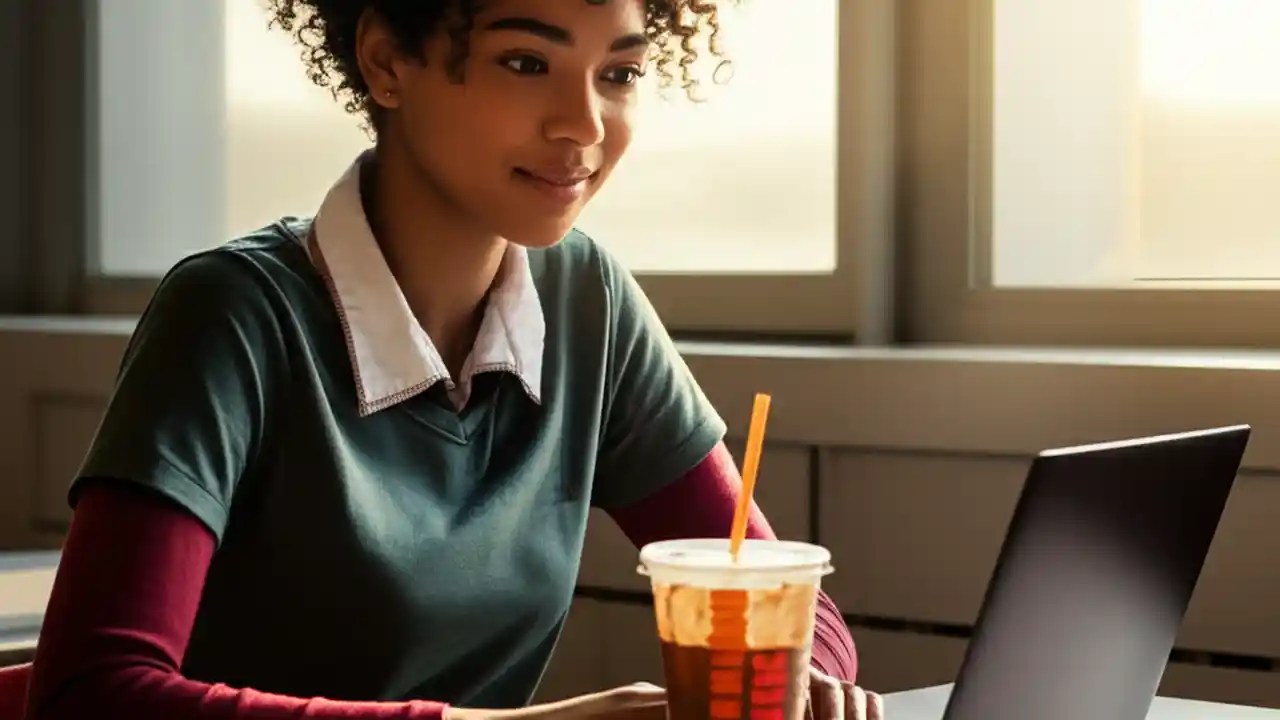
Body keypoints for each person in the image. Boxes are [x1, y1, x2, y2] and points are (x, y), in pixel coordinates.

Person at [23, 1, 883, 719]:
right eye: (524, 62)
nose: (583, 124)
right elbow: (91, 695)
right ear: (387, 61)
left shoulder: (590, 299)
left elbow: (778, 588)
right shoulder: (233, 314)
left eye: (617, 74)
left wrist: (809, 677)